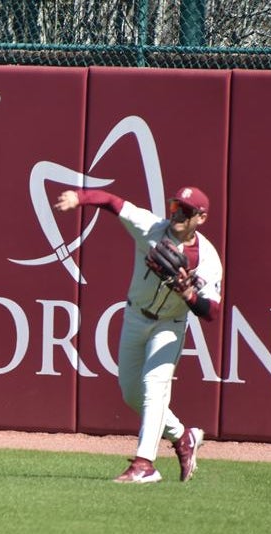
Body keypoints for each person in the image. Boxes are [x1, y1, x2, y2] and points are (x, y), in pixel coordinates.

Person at [54, 185, 223, 483]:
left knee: (154, 385)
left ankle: (145, 465)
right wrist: (79, 198)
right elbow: (114, 202)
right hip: (135, 315)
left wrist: (188, 295)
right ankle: (183, 436)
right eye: (174, 207)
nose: (177, 215)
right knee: (132, 392)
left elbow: (212, 312)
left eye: (185, 211)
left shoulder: (208, 259)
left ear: (201, 217)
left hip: (170, 324)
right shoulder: (151, 227)